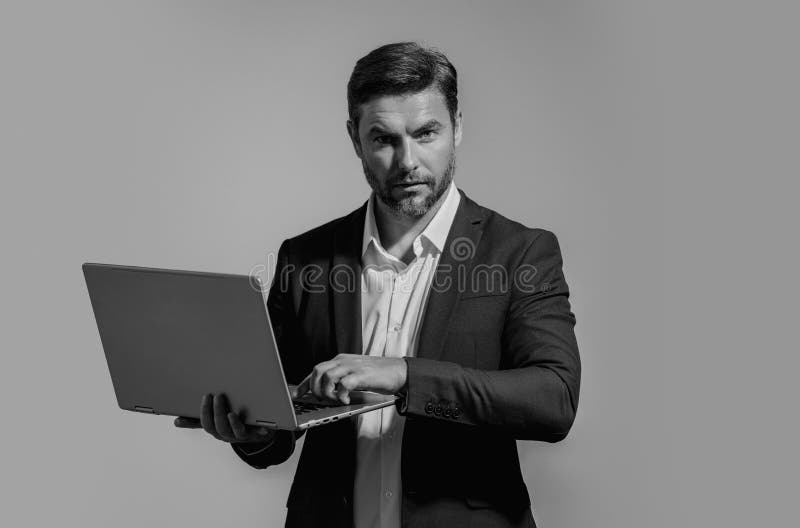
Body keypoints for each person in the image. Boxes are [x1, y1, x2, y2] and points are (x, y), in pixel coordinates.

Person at [175, 41, 580, 528]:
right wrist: (250, 430)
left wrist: (404, 374)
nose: (407, 161)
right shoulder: (303, 258)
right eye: (384, 139)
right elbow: (278, 426)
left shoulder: (520, 252)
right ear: (355, 139)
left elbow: (553, 398)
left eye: (426, 133)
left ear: (458, 127)